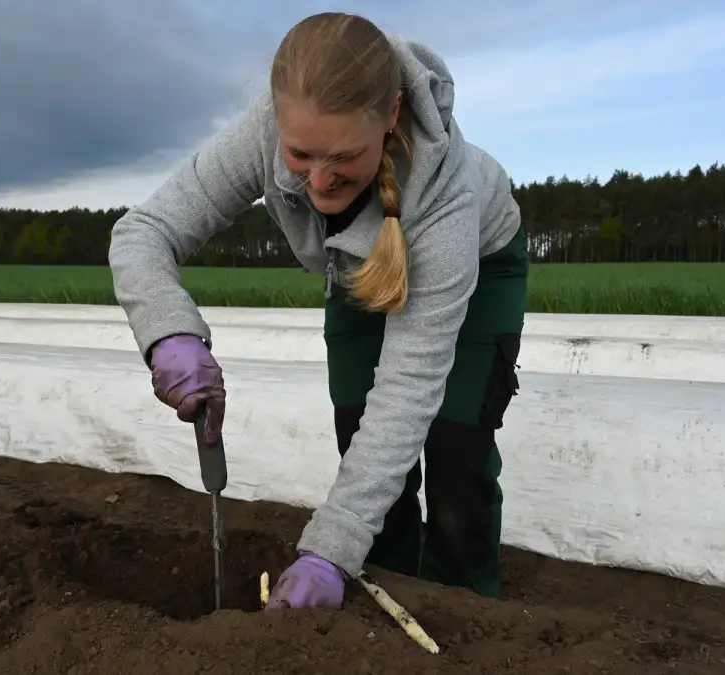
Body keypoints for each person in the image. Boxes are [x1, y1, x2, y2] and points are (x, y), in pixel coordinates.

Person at [108, 12, 529, 610]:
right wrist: (168, 332)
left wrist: (328, 548)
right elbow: (144, 231)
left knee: (456, 451)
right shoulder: (261, 133)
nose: (319, 181)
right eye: (299, 154)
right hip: (359, 267)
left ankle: (464, 609)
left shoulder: (444, 196)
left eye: (344, 157)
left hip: (481, 266)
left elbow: (408, 392)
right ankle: (382, 588)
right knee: (357, 425)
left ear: (390, 116)